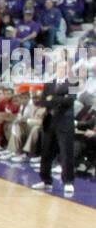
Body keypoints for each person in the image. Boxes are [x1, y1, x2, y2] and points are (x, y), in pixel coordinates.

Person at [32, 57, 77, 197]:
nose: (61, 70)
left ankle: (68, 182)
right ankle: (45, 180)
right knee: (46, 152)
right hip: (50, 121)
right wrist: (57, 99)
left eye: (64, 68)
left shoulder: (74, 82)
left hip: (65, 122)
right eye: (59, 67)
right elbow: (43, 102)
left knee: (66, 152)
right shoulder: (49, 83)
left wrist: (53, 99)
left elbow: (70, 100)